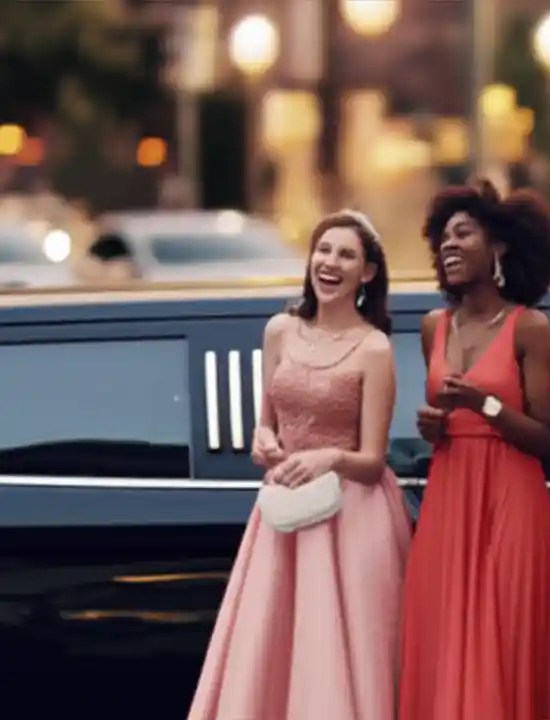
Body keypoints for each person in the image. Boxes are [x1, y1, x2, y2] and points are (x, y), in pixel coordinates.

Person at [189, 210, 412, 720]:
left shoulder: (375, 348)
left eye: (347, 255)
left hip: (351, 517)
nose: (330, 263)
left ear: (368, 273)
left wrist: (329, 456)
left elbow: (373, 459)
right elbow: (264, 428)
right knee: (272, 649)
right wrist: (264, 442)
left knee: (341, 655)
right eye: (323, 250)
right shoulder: (279, 331)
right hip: (283, 512)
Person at [399, 180, 550, 720]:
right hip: (450, 497)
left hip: (512, 498)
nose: (448, 246)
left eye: (463, 234)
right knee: (448, 633)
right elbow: (448, 420)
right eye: (443, 239)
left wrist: (486, 405)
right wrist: (437, 428)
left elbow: (548, 439)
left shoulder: (531, 328)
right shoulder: (435, 326)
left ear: (498, 246)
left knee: (504, 633)